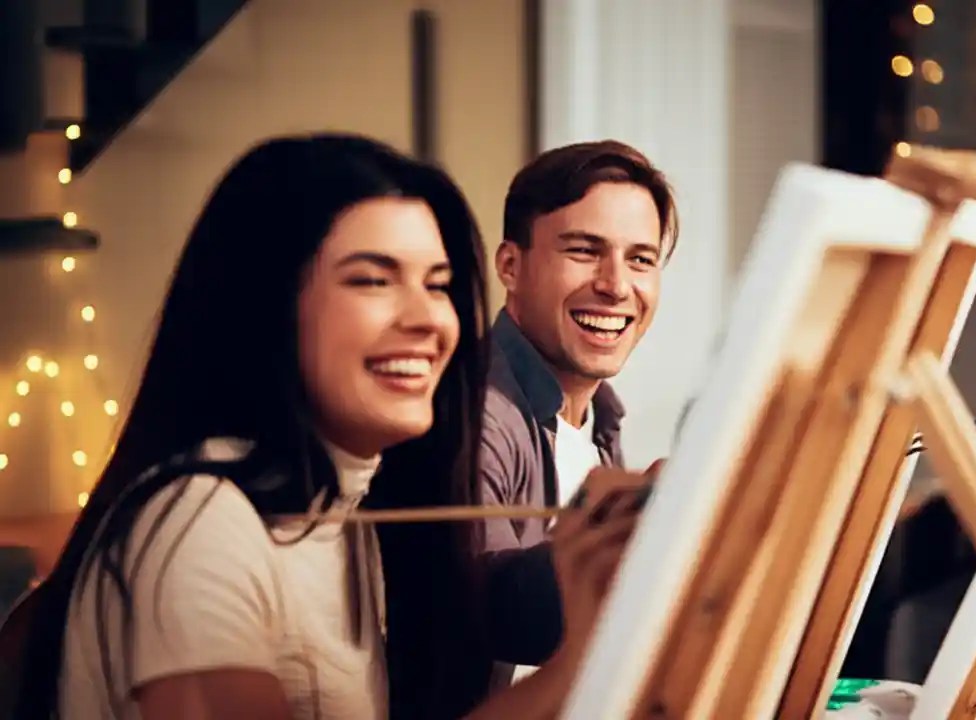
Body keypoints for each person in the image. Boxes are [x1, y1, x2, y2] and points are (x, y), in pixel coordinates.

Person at [11, 133, 640, 719]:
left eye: (437, 284)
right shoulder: (202, 518)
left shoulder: (342, 509)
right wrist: (580, 647)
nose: (429, 319)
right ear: (267, 304)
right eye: (373, 280)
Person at [478, 140, 678, 677]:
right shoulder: (476, 414)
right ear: (511, 266)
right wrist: (643, 522)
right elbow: (485, 609)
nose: (616, 286)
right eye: (584, 250)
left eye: (640, 259)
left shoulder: (600, 420)